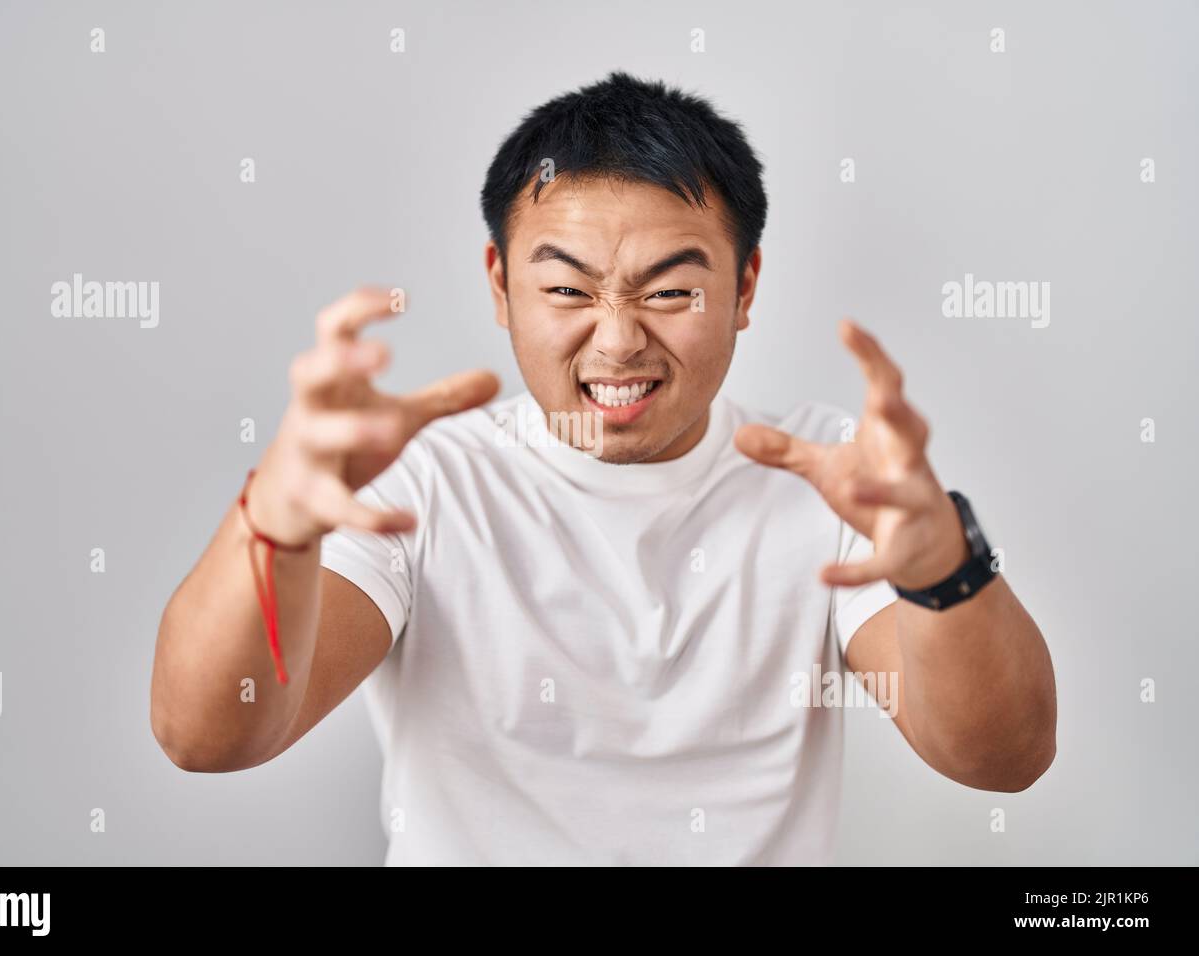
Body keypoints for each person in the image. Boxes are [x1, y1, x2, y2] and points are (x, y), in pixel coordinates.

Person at [150, 72, 1056, 865]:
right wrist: (273, 514)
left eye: (670, 290)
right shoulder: (422, 478)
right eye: (568, 291)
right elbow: (207, 737)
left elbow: (1001, 759)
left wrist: (947, 565)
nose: (618, 340)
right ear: (500, 286)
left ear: (744, 290)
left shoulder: (830, 477)